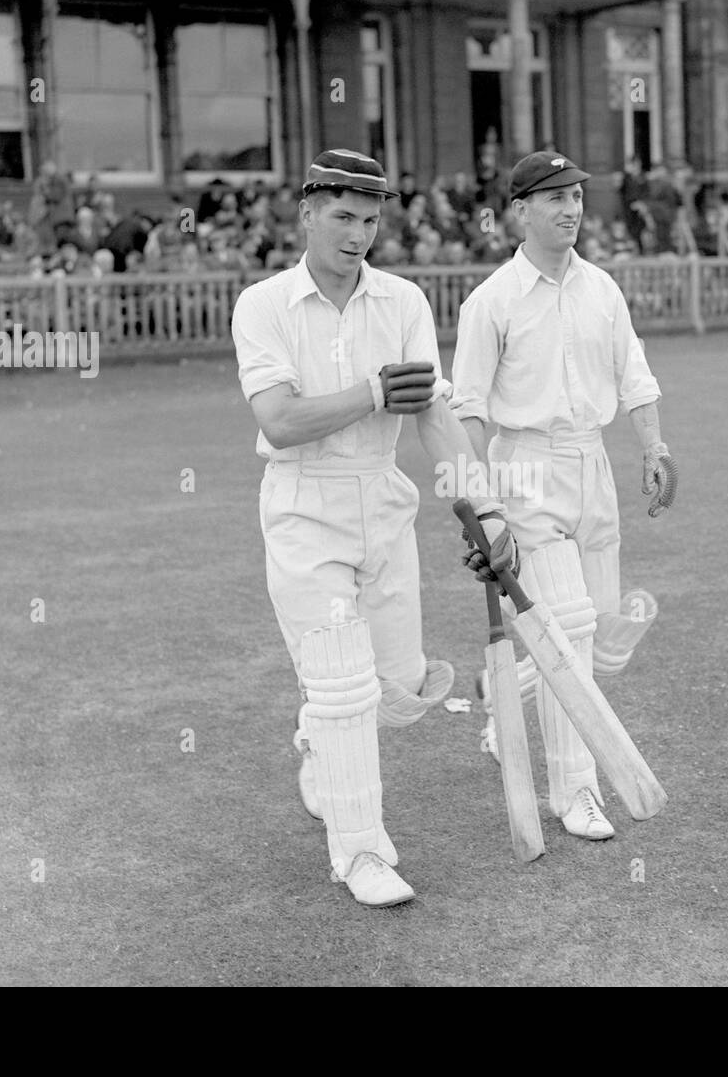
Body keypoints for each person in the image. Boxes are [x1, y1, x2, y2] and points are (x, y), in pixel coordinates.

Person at [230, 148, 518, 908]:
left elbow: (431, 412)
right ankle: (362, 853)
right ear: (306, 214)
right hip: (303, 507)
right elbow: (282, 421)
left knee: (396, 687)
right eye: (343, 217)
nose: (358, 234)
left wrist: (483, 510)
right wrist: (369, 390)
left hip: (381, 502)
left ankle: (320, 746)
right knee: (343, 690)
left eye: (370, 219)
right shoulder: (263, 306)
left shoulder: (403, 304)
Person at [451, 150, 678, 841]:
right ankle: (574, 792)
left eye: (577, 195)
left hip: (591, 463)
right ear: (519, 212)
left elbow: (633, 375)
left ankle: (502, 698)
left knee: (599, 634)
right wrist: (481, 505)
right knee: (571, 628)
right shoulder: (491, 301)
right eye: (554, 198)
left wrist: (654, 447)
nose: (572, 209)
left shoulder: (601, 288)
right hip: (523, 467)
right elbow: (467, 408)